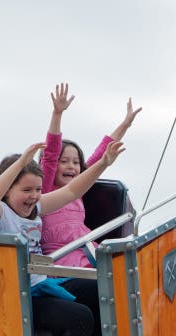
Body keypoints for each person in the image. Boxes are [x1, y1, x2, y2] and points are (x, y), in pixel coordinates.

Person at [0, 141, 124, 336]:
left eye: (38, 190)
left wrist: (103, 163)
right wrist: (22, 161)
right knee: (80, 316)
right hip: (21, 295)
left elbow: (71, 192)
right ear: (6, 190)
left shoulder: (36, 208)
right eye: (26, 190)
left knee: (105, 290)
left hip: (43, 284)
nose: (33, 196)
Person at [41, 83, 141, 267]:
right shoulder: (45, 191)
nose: (71, 166)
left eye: (76, 162)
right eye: (63, 162)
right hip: (60, 257)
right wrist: (57, 115)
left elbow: (102, 153)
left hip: (85, 249)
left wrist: (125, 125)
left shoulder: (78, 188)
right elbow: (50, 155)